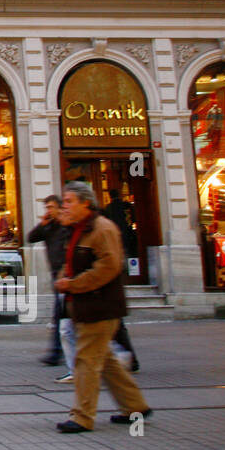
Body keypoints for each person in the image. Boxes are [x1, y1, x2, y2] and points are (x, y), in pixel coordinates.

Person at [53, 181, 151, 433]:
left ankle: (82, 416)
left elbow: (109, 267)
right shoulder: (79, 229)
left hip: (100, 305)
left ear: (86, 202)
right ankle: (135, 406)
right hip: (85, 305)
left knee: (85, 360)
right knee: (106, 361)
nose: (65, 206)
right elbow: (73, 261)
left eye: (69, 201)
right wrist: (66, 277)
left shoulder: (102, 229)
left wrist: (73, 284)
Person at [28, 195, 70, 364]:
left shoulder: (67, 226)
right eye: (47, 208)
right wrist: (43, 223)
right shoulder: (49, 227)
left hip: (68, 275)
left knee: (61, 315)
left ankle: (56, 352)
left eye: (51, 207)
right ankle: (56, 352)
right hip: (57, 276)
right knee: (61, 316)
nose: (48, 211)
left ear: (60, 208)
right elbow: (31, 238)